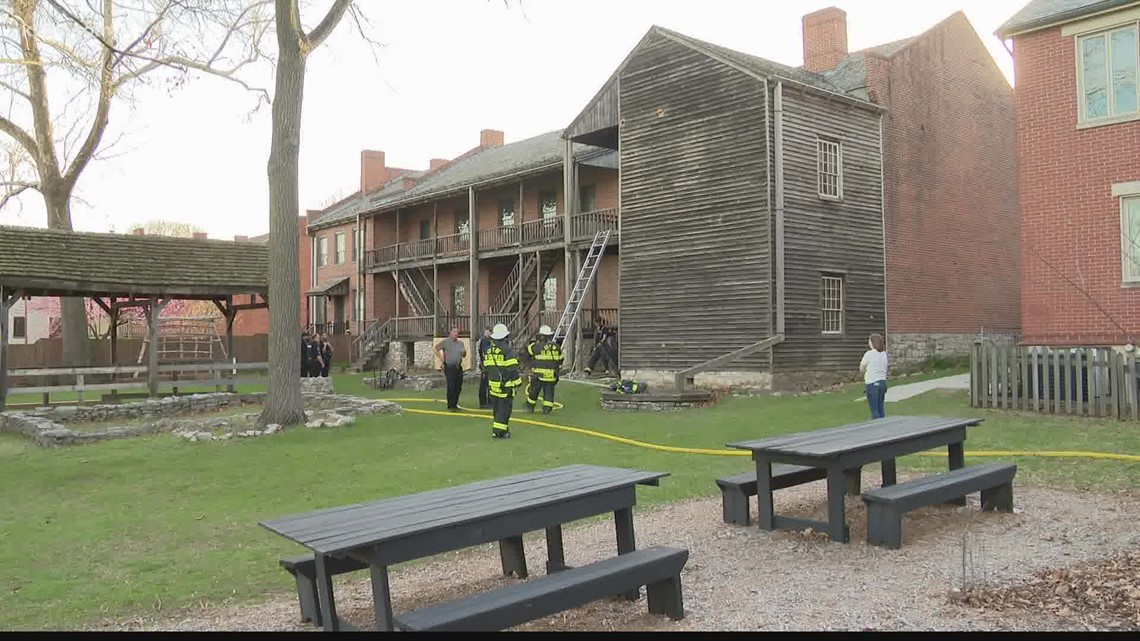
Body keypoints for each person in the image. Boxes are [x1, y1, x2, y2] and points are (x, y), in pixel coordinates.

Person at [483, 323, 522, 438]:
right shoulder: (507, 350)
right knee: (504, 409)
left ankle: (499, 430)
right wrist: (518, 382)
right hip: (505, 385)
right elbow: (512, 369)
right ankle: (500, 431)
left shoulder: (488, 350)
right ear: (505, 337)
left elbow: (485, 366)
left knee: (497, 408)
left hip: (493, 385)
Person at [525, 325, 564, 414]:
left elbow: (528, 350)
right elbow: (561, 360)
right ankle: (547, 409)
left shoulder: (536, 346)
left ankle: (530, 407)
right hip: (551, 376)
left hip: (538, 375)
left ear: (541, 336)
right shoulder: (556, 347)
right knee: (549, 393)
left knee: (533, 392)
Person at [435, 327, 467, 411]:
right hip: (449, 366)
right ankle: (450, 405)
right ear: (450, 333)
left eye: (457, 332)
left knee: (458, 386)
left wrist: (464, 352)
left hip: (458, 366)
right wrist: (441, 358)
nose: (456, 333)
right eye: (454, 331)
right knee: (451, 386)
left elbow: (464, 355)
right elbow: (436, 348)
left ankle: (455, 404)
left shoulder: (460, 343)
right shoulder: (446, 342)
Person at [860, 333, 889, 420]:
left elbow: (862, 368)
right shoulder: (884, 354)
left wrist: (867, 371)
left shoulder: (869, 354)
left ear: (873, 342)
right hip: (882, 383)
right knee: (881, 408)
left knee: (874, 410)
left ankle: (876, 428)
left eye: (869, 341)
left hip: (872, 383)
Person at [477, 326, 493, 410]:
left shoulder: (489, 340)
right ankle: (483, 403)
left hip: (489, 365)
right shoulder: (484, 340)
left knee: (490, 384)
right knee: (484, 385)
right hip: (485, 365)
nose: (491, 333)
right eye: (490, 331)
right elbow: (484, 353)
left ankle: (490, 401)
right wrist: (483, 367)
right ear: (485, 331)